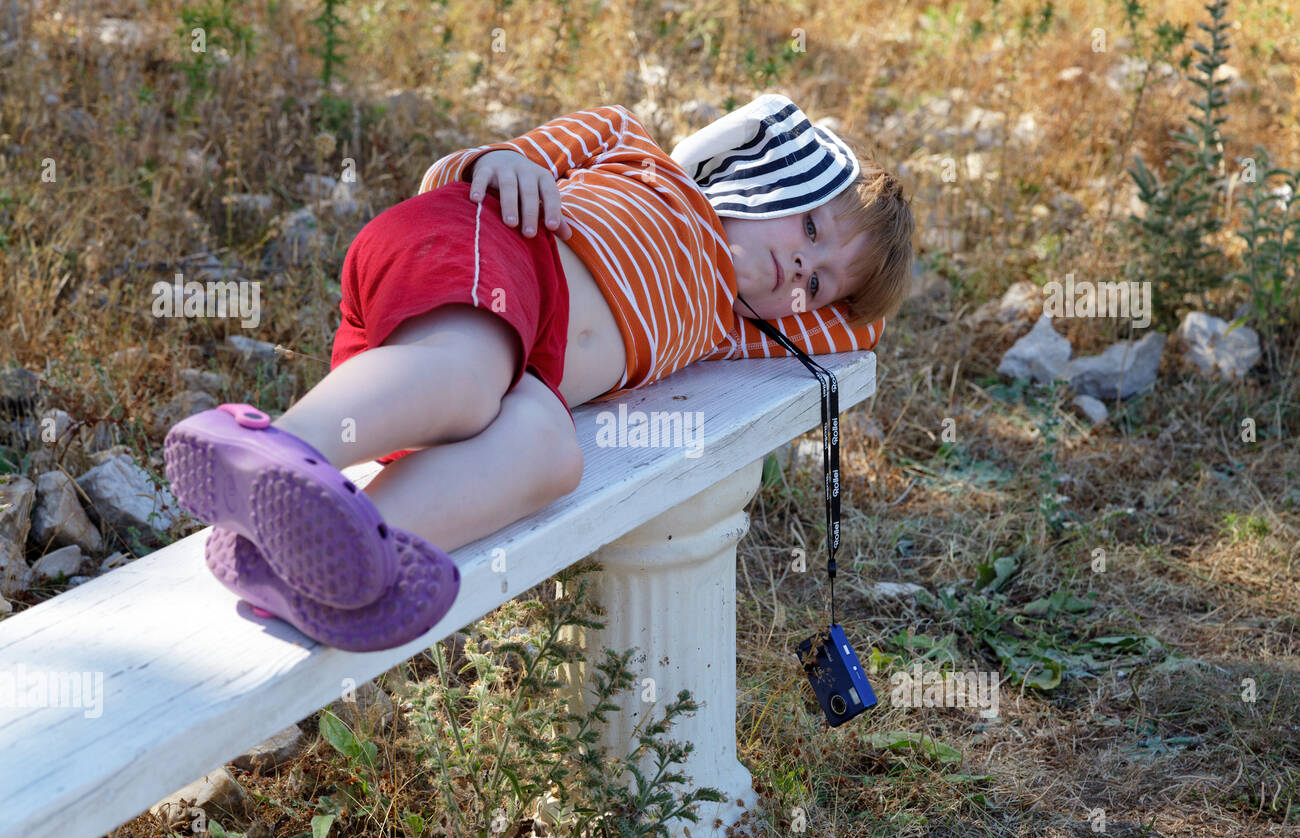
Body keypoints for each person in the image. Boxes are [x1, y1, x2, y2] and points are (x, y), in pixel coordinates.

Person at [163, 93, 914, 652]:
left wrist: (832, 281)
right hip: (483, 260)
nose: (799, 268)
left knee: (552, 454)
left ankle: (318, 558)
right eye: (809, 225)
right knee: (467, 371)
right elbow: (469, 173)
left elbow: (859, 330)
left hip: (480, 383)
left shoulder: (730, 326)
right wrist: (502, 164)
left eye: (815, 280)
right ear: (769, 169)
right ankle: (272, 448)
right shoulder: (638, 156)